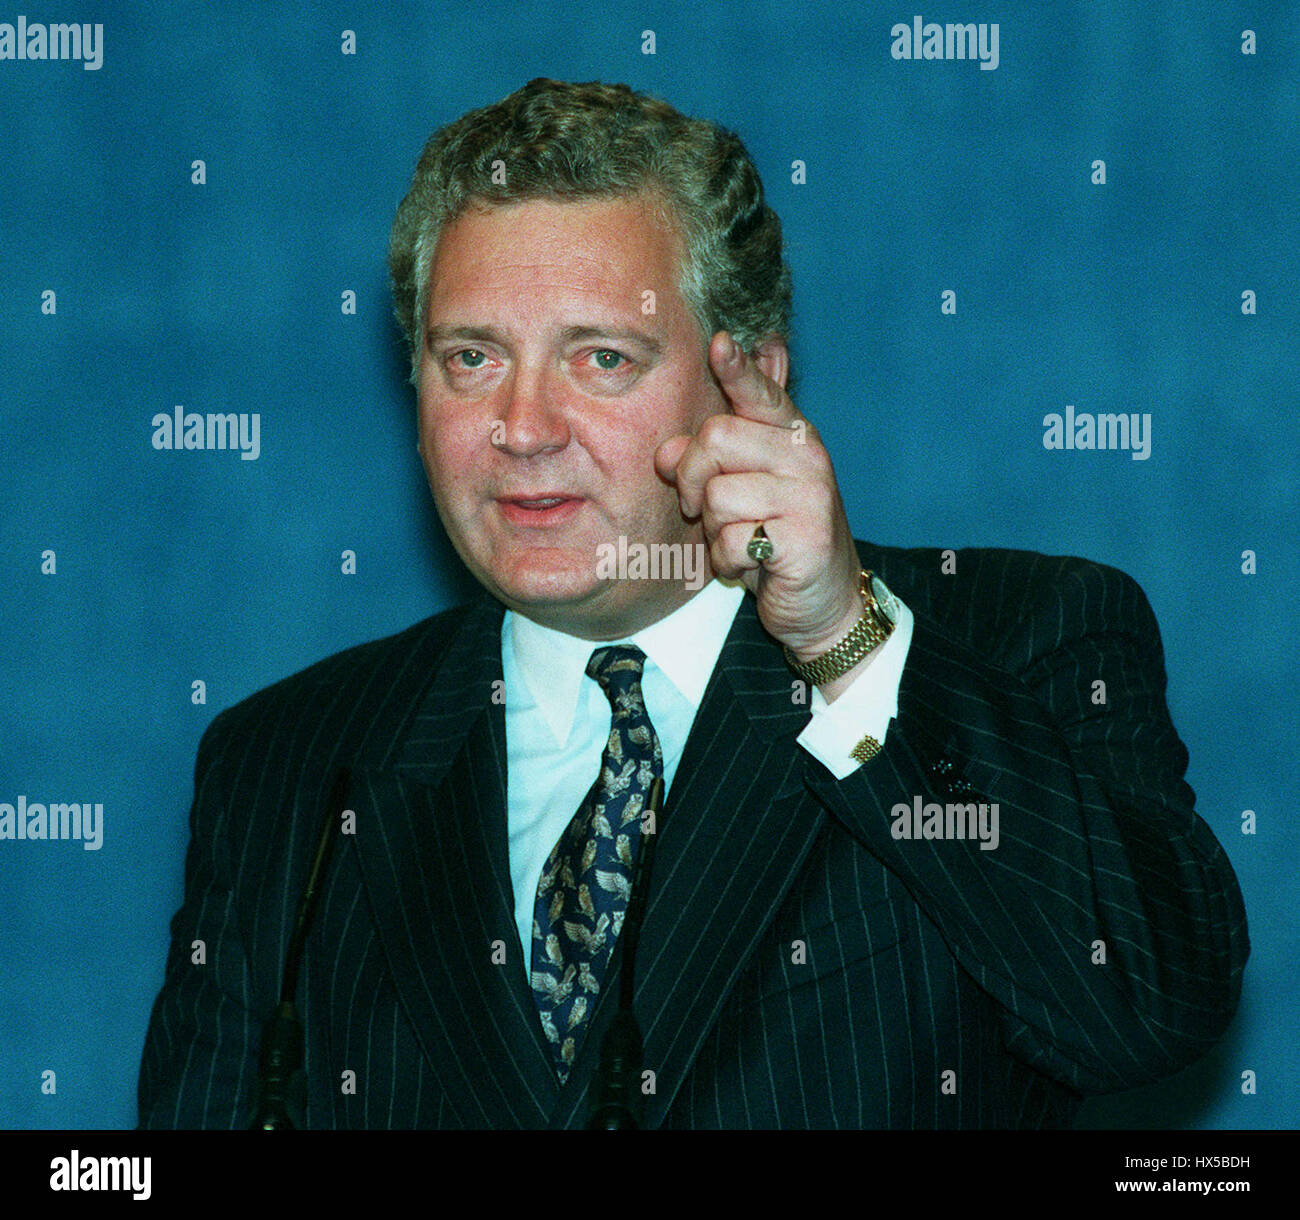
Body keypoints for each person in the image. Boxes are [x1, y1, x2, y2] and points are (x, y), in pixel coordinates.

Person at [138, 77, 1248, 1129]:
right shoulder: (292, 762)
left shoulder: (1022, 638)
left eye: (602, 359)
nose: (522, 427)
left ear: (746, 383)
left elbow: (1142, 1008)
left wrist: (837, 639)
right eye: (471, 357)